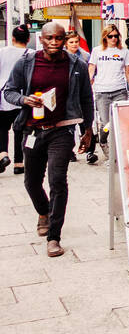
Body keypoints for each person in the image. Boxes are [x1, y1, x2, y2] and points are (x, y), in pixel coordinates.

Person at [3, 21, 95, 256]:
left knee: (57, 180)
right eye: (49, 38)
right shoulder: (26, 62)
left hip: (62, 130)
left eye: (58, 38)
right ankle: (43, 212)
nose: (54, 42)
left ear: (64, 40)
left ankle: (54, 237)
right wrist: (25, 100)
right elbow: (9, 91)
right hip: (33, 130)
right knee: (31, 181)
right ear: (40, 40)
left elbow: (86, 98)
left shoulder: (76, 64)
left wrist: (87, 130)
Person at [88, 24, 129, 161]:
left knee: (120, 123)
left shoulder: (124, 51)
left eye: (116, 36)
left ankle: (118, 152)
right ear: (105, 37)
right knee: (106, 124)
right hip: (102, 91)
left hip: (119, 90)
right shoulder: (97, 51)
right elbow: (91, 69)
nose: (114, 39)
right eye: (110, 36)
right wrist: (88, 86)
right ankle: (103, 141)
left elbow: (128, 72)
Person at [0, 25, 32, 174]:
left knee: (2, 128)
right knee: (19, 130)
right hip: (23, 98)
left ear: (12, 38)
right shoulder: (32, 54)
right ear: (28, 39)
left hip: (4, 96)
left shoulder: (2, 52)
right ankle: (19, 164)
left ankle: (3, 154)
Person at [64, 30, 90, 162]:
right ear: (66, 44)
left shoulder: (84, 56)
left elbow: (91, 72)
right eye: (71, 42)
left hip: (82, 92)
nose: (74, 44)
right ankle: (69, 151)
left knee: (86, 122)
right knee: (70, 126)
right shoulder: (62, 57)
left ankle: (89, 151)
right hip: (68, 94)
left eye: (76, 42)